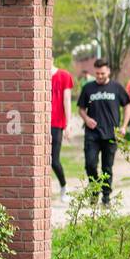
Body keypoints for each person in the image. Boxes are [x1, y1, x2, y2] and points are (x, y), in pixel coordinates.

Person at [76, 60, 130, 206]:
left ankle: (106, 198)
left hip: (111, 135)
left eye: (102, 73)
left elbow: (127, 106)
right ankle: (94, 192)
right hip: (92, 134)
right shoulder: (88, 88)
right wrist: (86, 119)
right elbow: (81, 108)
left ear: (109, 72)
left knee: (107, 168)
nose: (99, 76)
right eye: (97, 73)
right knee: (90, 164)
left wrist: (124, 126)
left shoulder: (116, 87)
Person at [50, 58, 74, 202]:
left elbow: (67, 100)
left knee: (54, 160)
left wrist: (68, 124)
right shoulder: (37, 76)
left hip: (56, 123)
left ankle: (63, 186)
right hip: (40, 124)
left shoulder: (64, 76)